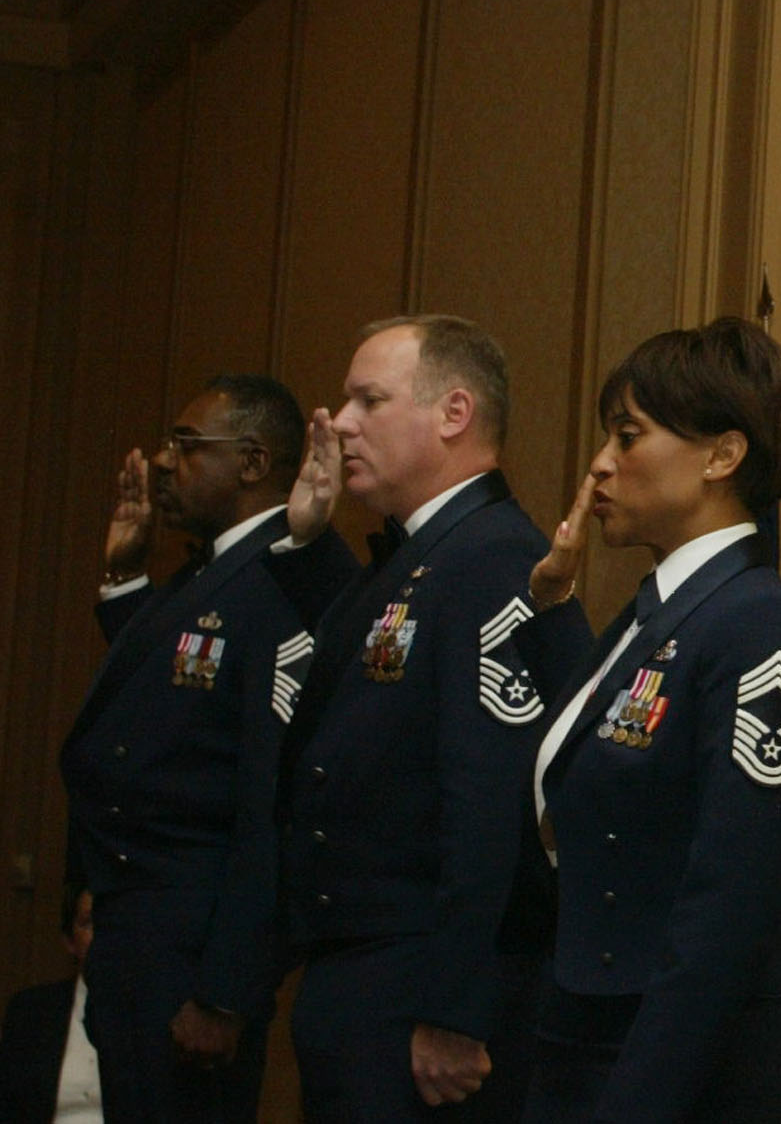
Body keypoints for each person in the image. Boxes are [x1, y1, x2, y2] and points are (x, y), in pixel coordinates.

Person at [506, 317, 781, 1124]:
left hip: (677, 1065)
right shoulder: (661, 610)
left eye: (628, 436)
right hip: (588, 1027)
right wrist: (551, 608)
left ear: (722, 456)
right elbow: (594, 758)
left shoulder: (758, 625)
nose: (600, 464)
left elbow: (730, 902)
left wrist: (638, 1099)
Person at [279, 314, 591, 1121]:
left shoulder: (490, 561)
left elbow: (488, 805)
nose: (341, 423)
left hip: (419, 984)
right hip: (368, 972)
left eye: (368, 401)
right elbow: (373, 682)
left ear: (453, 414)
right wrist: (310, 545)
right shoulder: (429, 553)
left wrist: (457, 1008)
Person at [58, 375, 357, 1124]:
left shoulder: (280, 578)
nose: (163, 462)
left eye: (187, 447)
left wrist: (228, 990)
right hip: (143, 938)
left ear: (253, 463)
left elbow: (269, 806)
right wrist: (124, 579)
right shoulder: (208, 570)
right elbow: (167, 705)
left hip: (193, 948)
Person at [0, 887, 98, 1124]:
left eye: (111, 922)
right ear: (69, 941)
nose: (101, 934)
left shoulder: (157, 1014)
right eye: (88, 923)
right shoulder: (32, 1011)